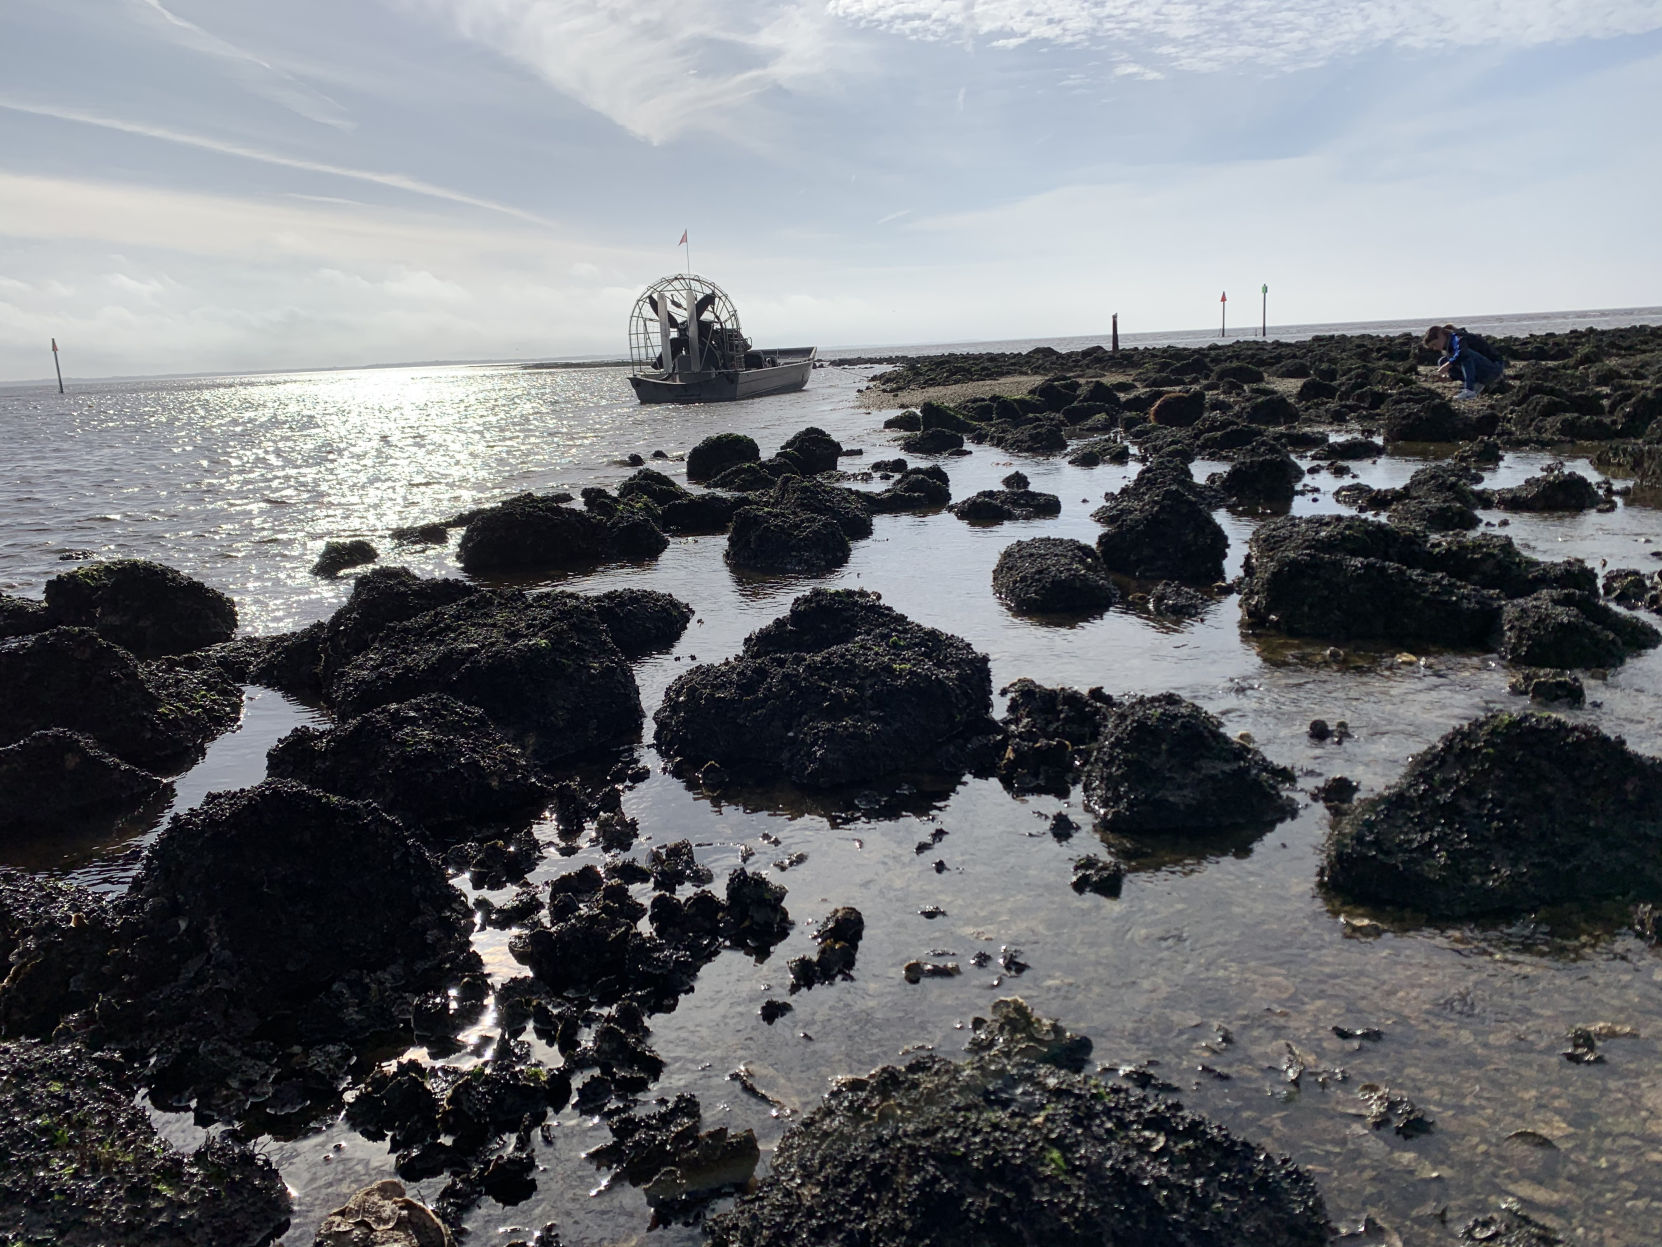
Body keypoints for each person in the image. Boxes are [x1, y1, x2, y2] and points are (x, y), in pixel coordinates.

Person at [1423, 324, 1504, 400]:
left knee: (1464, 355)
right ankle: (1475, 384)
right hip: (1481, 371)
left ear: (1441, 336)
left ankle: (1469, 390)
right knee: (1443, 361)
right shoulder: (1449, 346)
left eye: (1434, 344)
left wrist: (1448, 365)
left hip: (1494, 369)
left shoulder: (1458, 337)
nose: (1434, 348)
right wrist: (1450, 377)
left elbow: (1463, 353)